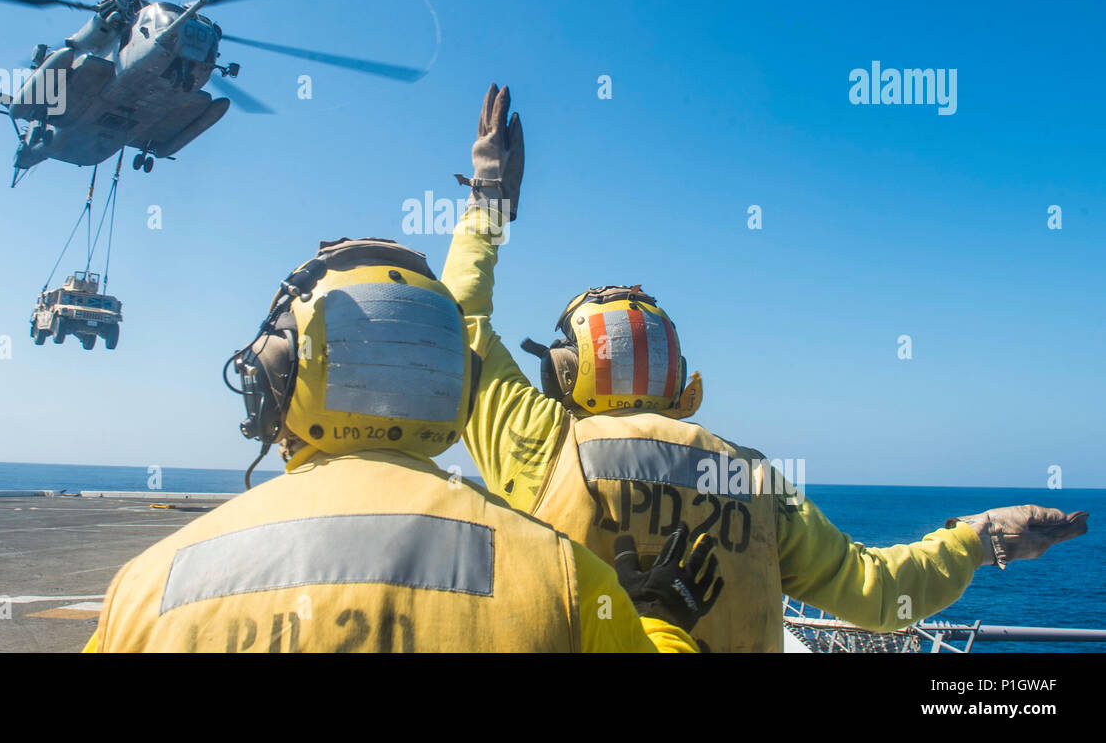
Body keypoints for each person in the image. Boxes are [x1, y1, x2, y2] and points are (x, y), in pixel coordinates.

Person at [442, 83, 1090, 652]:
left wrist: (488, 203)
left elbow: (461, 321)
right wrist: (980, 537)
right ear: (680, 385)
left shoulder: (539, 444)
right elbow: (882, 592)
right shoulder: (749, 478)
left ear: (563, 373)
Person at [84, 236, 718, 652]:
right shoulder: (565, 578)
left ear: (276, 379)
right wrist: (661, 620)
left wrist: (485, 206)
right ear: (459, 386)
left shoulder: (145, 589)